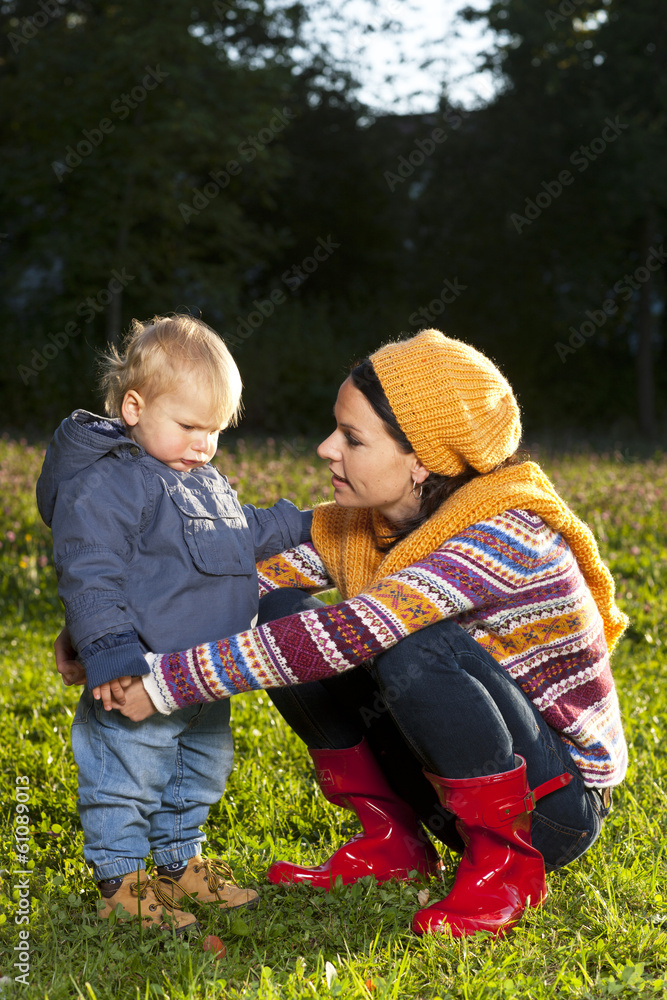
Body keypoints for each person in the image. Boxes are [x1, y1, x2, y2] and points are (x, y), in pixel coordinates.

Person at [60, 329, 628, 939]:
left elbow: (357, 629)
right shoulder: (370, 524)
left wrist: (165, 684)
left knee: (406, 638)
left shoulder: (506, 531)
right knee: (276, 608)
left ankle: (505, 867)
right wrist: (108, 632)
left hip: (550, 808)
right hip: (443, 790)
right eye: (337, 428)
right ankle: (394, 840)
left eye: (352, 439)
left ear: (422, 461)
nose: (327, 448)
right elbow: (231, 582)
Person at [38, 314, 311, 933]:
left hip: (199, 675)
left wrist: (306, 524)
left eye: (214, 430)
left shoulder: (198, 477)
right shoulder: (107, 486)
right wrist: (107, 650)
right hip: (140, 672)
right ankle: (121, 878)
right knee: (128, 772)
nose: (203, 444)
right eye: (189, 426)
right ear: (134, 406)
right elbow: (91, 573)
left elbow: (244, 532)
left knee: (199, 769)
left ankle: (177, 862)